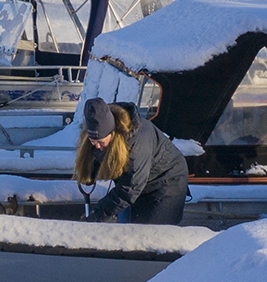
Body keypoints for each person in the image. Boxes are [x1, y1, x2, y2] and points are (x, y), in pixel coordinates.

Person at [73, 96, 188, 225]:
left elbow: (128, 190)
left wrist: (97, 216)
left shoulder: (135, 146)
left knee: (152, 234)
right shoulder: (105, 130)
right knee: (128, 227)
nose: (97, 146)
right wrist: (91, 172)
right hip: (140, 180)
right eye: (93, 142)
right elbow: (98, 152)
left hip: (167, 181)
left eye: (101, 142)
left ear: (113, 134)